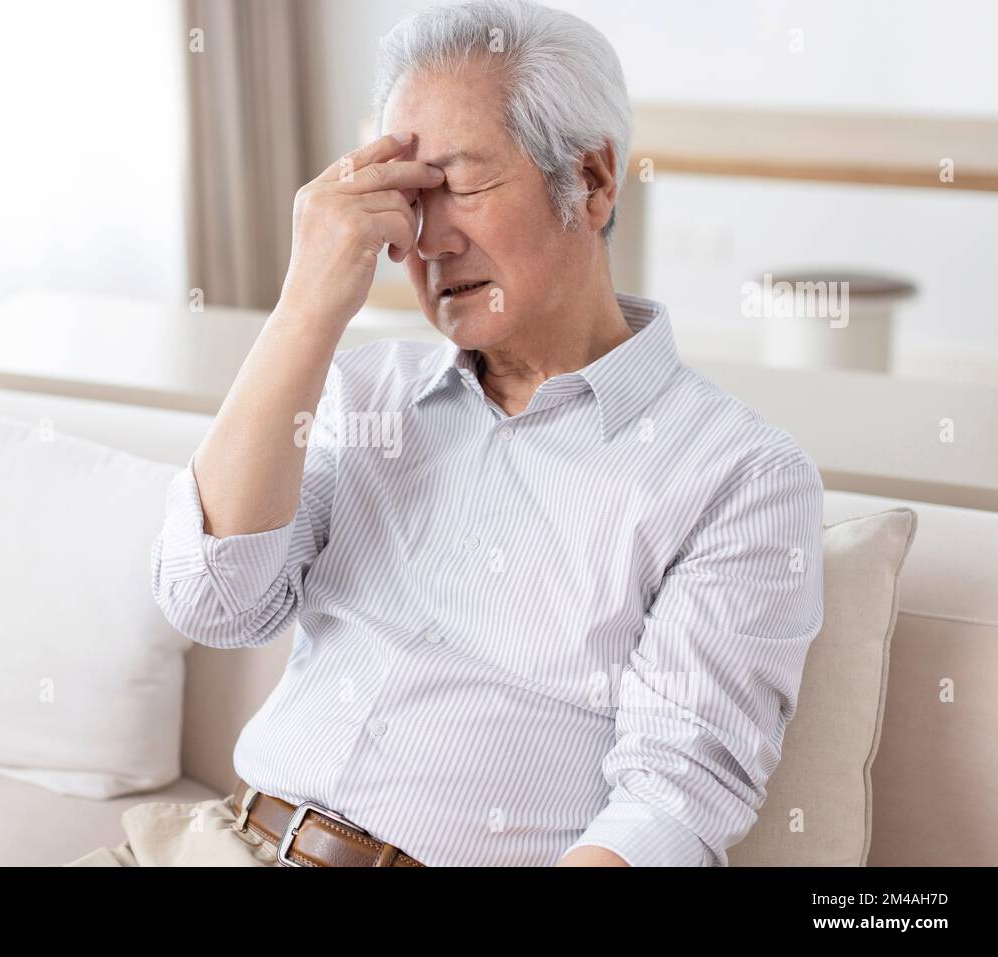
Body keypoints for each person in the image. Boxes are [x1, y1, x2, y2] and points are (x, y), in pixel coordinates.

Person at [69, 0, 824, 868]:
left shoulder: (737, 475)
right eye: (407, 198)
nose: (427, 240)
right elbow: (213, 600)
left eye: (460, 186)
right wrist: (306, 307)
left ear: (592, 180)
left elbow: (669, 806)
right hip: (208, 845)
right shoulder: (360, 390)